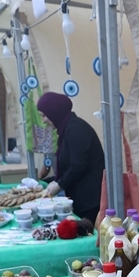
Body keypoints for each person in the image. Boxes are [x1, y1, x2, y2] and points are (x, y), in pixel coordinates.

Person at [36, 92, 104, 223]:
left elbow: (78, 166)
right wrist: (52, 180)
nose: (44, 120)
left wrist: (59, 184)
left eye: (44, 116)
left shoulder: (76, 129)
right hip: (80, 197)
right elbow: (67, 166)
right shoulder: (66, 129)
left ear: (54, 112)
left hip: (89, 200)